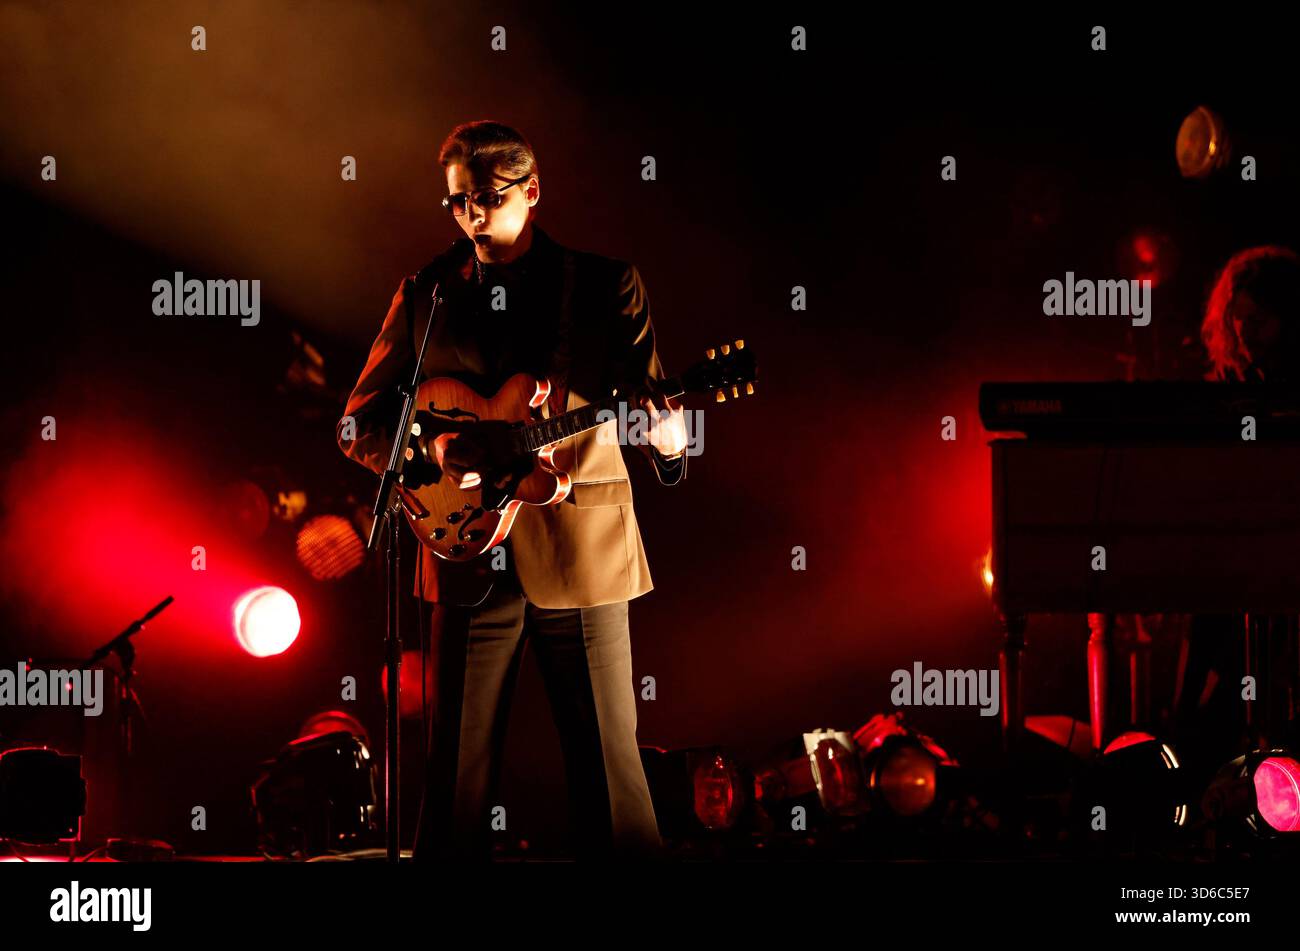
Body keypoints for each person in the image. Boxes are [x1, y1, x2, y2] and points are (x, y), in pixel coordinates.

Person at [336, 120, 689, 860]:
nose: (470, 215)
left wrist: (668, 440)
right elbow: (359, 424)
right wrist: (428, 450)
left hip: (582, 549)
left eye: (486, 198)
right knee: (453, 789)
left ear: (532, 190)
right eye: (457, 202)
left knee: (612, 783)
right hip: (464, 550)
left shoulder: (603, 284)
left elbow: (654, 408)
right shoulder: (428, 291)